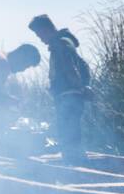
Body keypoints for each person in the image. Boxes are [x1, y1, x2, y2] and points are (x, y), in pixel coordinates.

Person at [28, 14, 92, 162]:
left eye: (39, 34)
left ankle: (74, 167)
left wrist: (79, 87)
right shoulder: (66, 42)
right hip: (72, 95)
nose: (40, 39)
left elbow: (70, 68)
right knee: (73, 133)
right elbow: (83, 64)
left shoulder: (59, 44)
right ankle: (78, 162)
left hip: (68, 96)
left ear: (46, 29)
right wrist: (84, 86)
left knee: (67, 133)